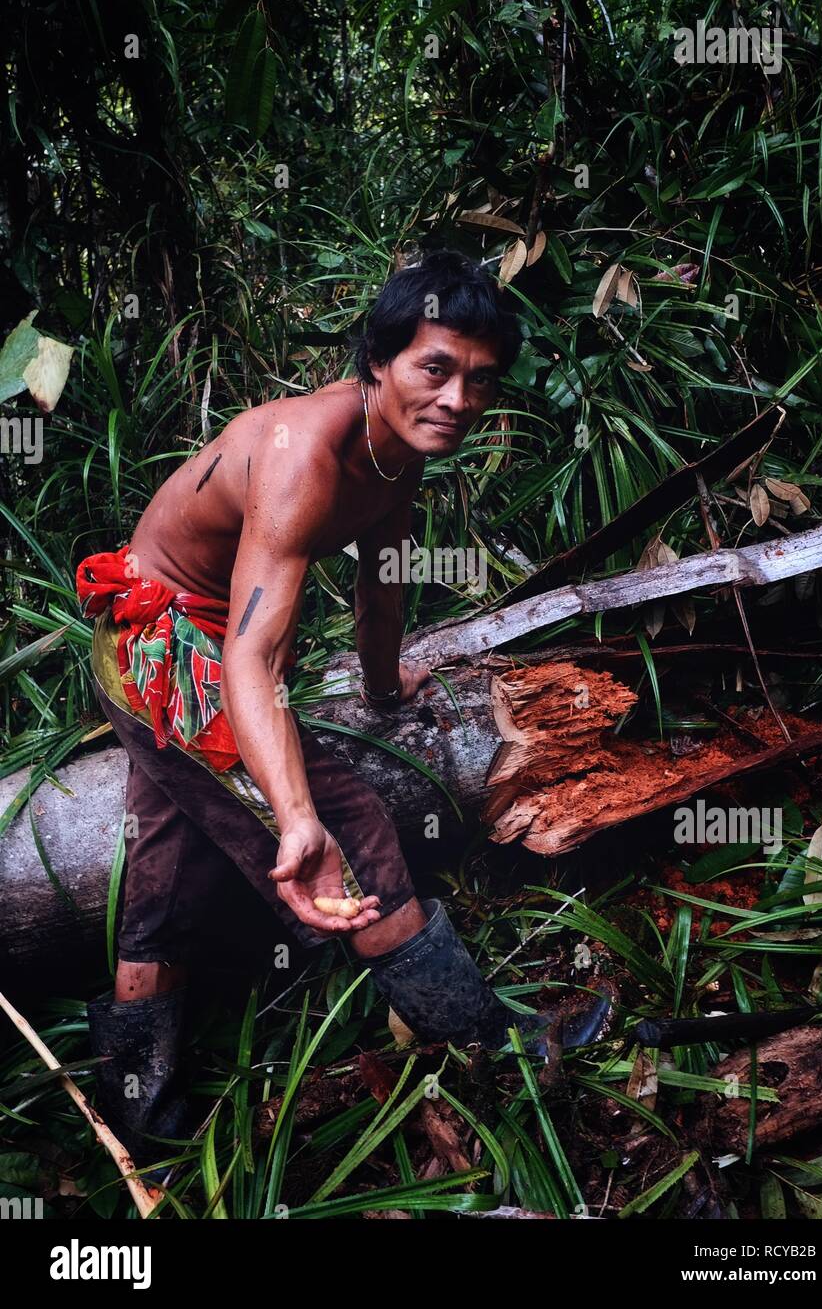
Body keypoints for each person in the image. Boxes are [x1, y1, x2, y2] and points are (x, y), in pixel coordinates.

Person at [78, 248, 608, 1179]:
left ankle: (137, 1112)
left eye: (479, 381)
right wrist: (297, 817)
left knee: (164, 868)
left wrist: (382, 688)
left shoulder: (392, 456)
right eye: (434, 368)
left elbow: (381, 591)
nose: (456, 398)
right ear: (379, 360)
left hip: (187, 640)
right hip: (157, 644)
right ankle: (497, 1045)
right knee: (353, 826)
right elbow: (250, 654)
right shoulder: (302, 458)